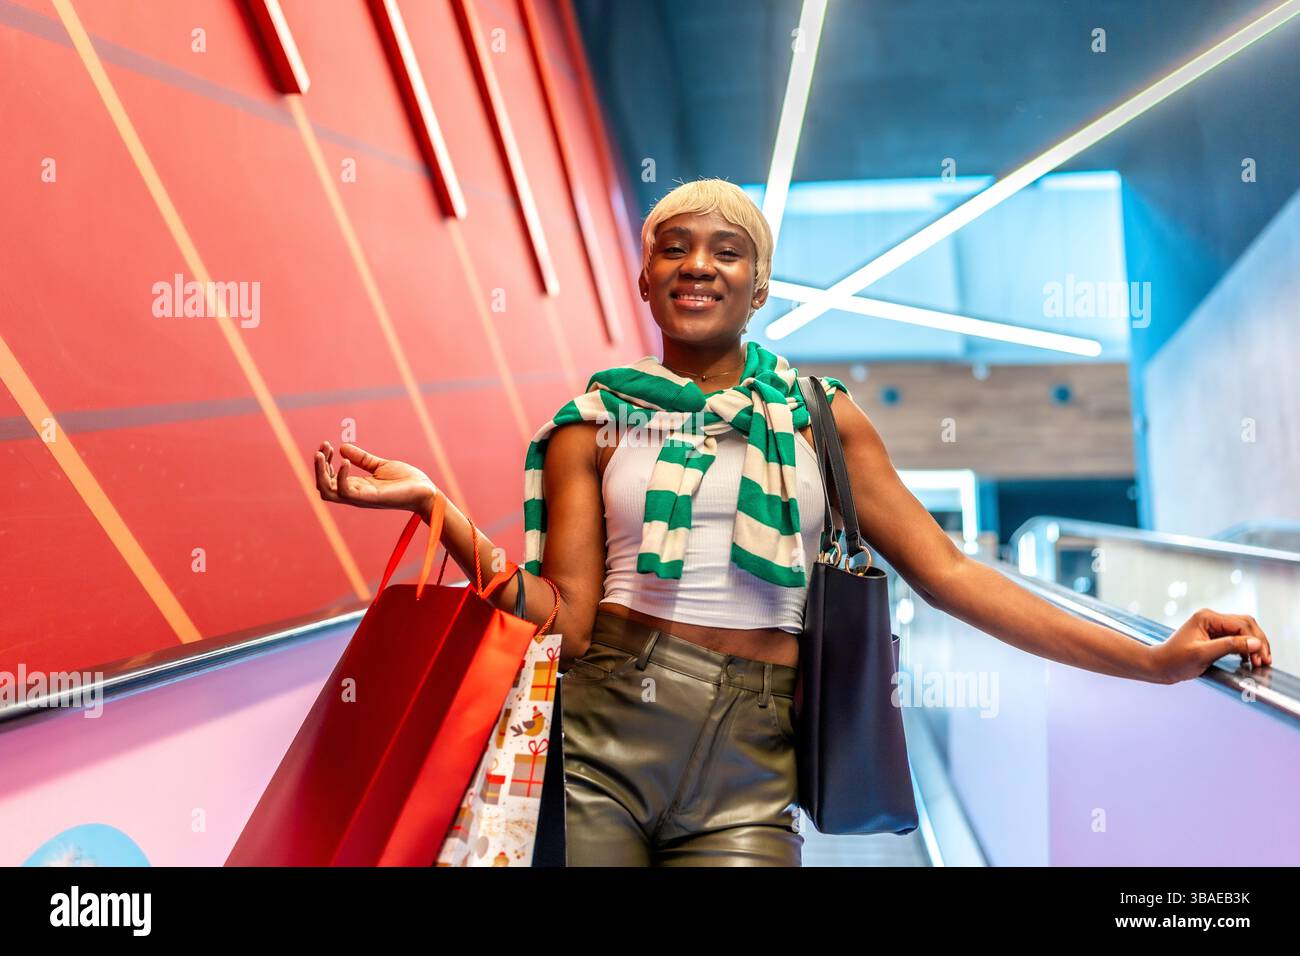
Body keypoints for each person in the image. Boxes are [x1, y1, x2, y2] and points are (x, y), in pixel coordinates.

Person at [312, 177, 1273, 867]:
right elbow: (560, 619)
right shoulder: (589, 427)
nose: (698, 265)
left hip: (753, 758)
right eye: (672, 248)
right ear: (643, 281)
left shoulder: (819, 416)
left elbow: (955, 574)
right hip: (599, 741)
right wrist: (435, 510)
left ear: (760, 288)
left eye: (727, 251)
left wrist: (1150, 658)